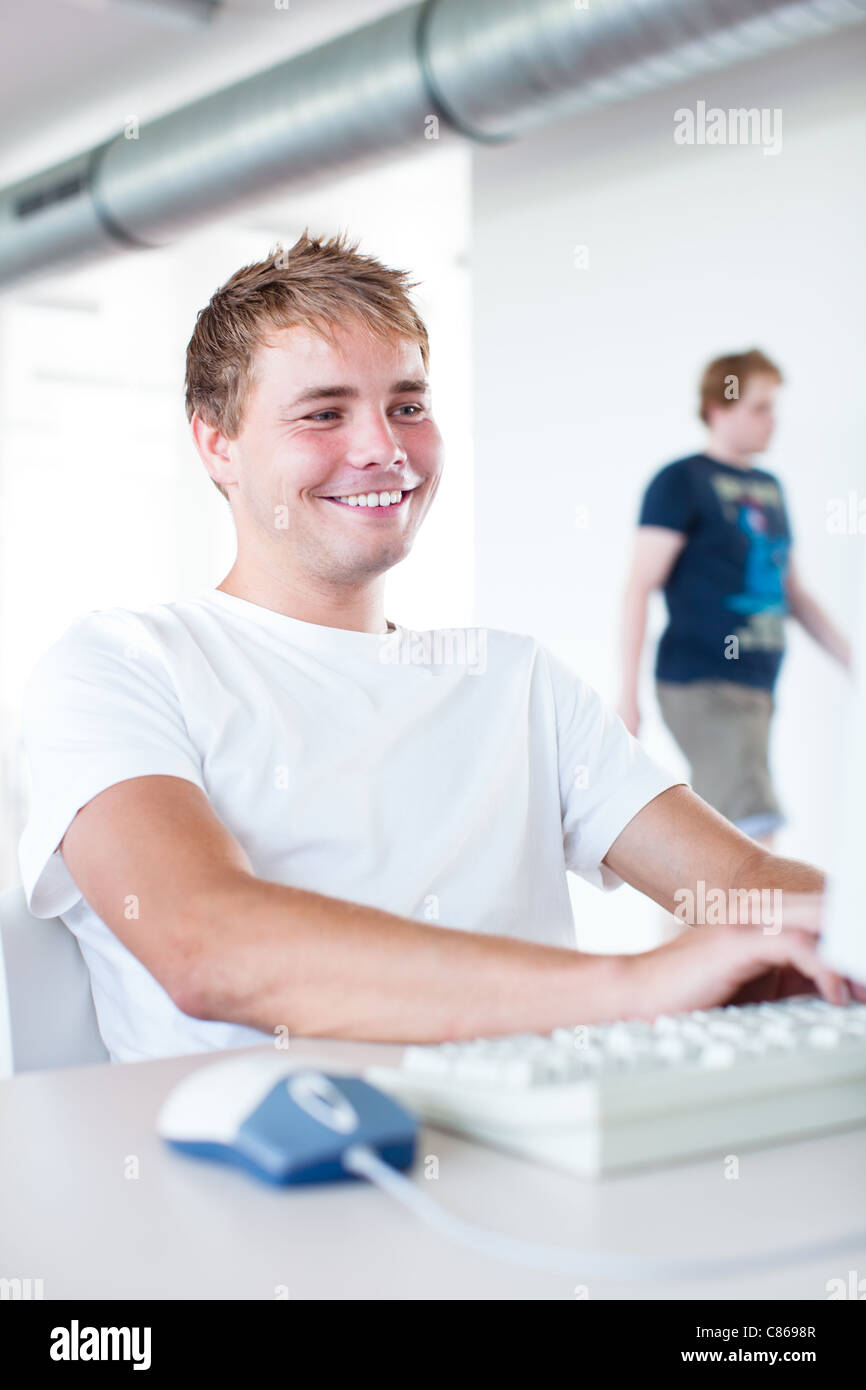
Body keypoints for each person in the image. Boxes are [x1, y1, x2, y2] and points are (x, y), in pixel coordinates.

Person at [17, 240, 859, 1064]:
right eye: (324, 412)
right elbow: (208, 945)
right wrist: (637, 987)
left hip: (554, 1168)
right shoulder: (120, 665)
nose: (385, 448)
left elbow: (738, 887)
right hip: (269, 1183)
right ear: (216, 444)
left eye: (409, 406)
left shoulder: (515, 678)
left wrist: (833, 931)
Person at [618, 349, 851, 851]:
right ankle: (743, 929)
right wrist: (627, 695)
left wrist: (854, 659)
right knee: (752, 829)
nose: (773, 421)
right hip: (704, 682)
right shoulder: (681, 482)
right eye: (761, 407)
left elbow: (792, 592)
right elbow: (639, 586)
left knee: (719, 835)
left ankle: (688, 929)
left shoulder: (769, 488)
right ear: (719, 407)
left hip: (758, 686)